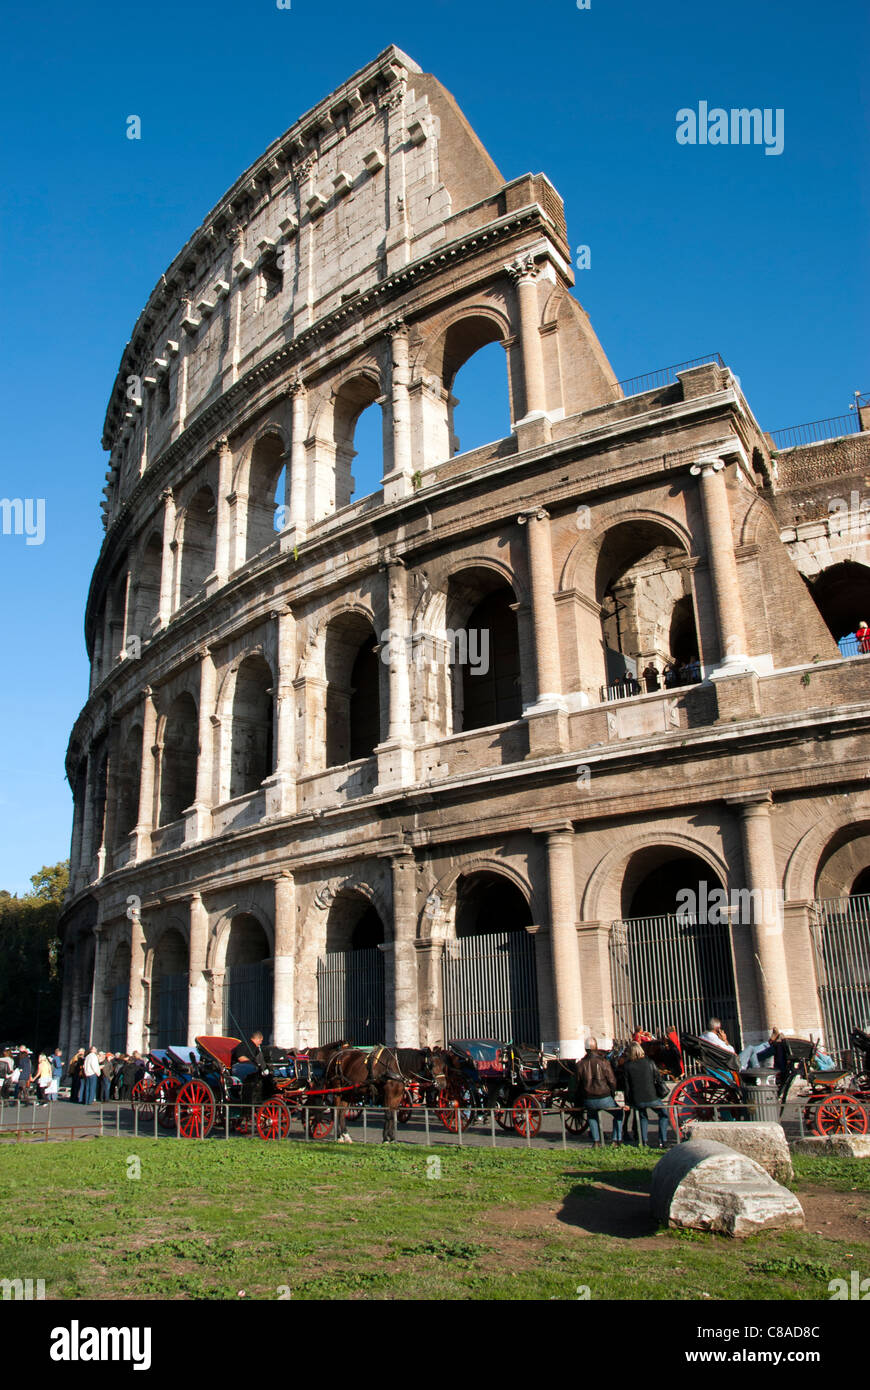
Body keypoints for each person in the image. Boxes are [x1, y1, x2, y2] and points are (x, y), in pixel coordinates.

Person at [576, 1039, 623, 1147]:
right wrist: (612, 1093)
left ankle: (596, 1141)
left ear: (585, 1049)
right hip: (604, 1096)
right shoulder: (604, 1062)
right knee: (619, 1114)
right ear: (596, 1048)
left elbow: (578, 1083)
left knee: (592, 1115)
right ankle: (616, 1139)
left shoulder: (580, 1064)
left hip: (588, 1098)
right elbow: (612, 1080)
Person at [622, 1041, 670, 1147]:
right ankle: (662, 1140)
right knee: (664, 1115)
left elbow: (627, 1087)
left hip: (637, 1099)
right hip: (651, 1096)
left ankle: (643, 1141)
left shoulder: (627, 1066)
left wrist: (628, 1103)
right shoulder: (649, 1062)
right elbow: (657, 1078)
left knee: (643, 1117)